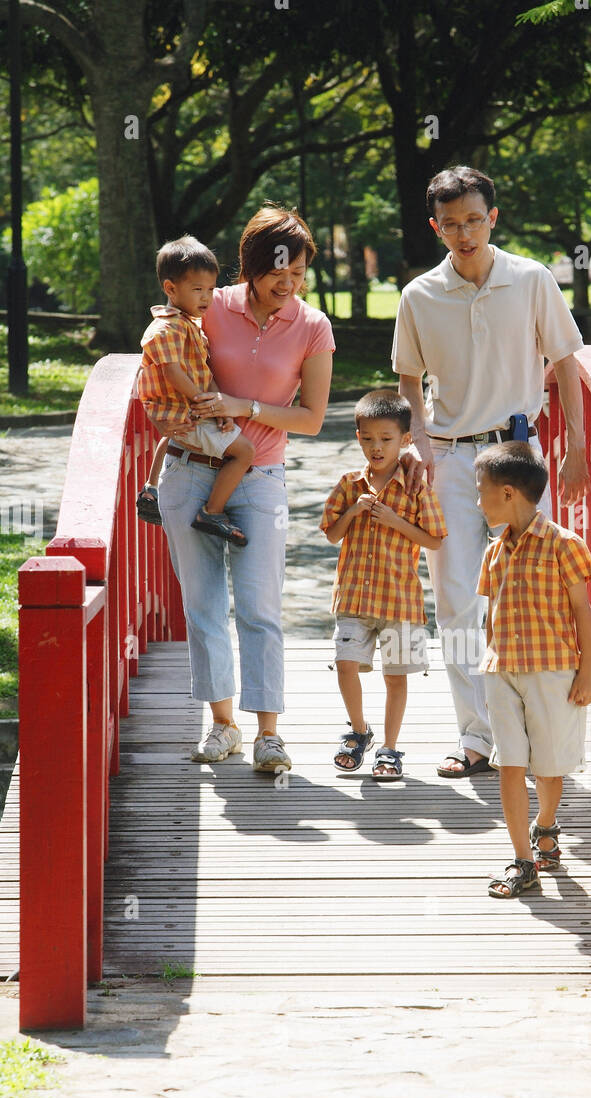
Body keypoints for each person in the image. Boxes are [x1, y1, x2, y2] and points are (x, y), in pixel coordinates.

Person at [392, 165, 590, 778]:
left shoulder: (531, 280)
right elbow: (407, 380)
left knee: (535, 593)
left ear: (492, 218)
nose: (464, 233)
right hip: (450, 458)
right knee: (455, 601)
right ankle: (476, 736)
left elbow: (565, 364)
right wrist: (419, 446)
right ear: (436, 227)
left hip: (519, 455)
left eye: (474, 220)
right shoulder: (419, 295)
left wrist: (577, 446)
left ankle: (535, 734)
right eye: (450, 224)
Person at [156, 203, 334, 772]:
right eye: (277, 273)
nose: (288, 284)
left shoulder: (312, 326)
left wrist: (246, 406)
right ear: (249, 267)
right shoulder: (209, 306)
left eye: (299, 274)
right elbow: (159, 358)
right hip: (188, 473)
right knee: (204, 606)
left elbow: (310, 419)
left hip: (261, 479)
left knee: (260, 606)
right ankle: (223, 726)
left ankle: (268, 734)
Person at [474, 443, 591, 899]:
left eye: (480, 491)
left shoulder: (565, 545)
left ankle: (546, 824)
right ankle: (524, 861)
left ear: (508, 493)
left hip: (553, 670)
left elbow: (582, 612)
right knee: (509, 763)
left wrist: (586, 672)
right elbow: (491, 614)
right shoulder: (493, 552)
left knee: (548, 768)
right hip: (502, 670)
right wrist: (491, 658)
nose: (476, 500)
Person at [320, 390, 447, 780]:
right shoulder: (348, 484)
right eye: (369, 438)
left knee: (396, 677)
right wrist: (355, 511)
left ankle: (390, 750)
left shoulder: (415, 488)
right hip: (354, 596)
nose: (377, 447)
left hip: (400, 601)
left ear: (406, 440)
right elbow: (331, 534)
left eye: (387, 439)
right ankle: (360, 732)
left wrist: (395, 521)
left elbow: (435, 538)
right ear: (358, 437)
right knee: (345, 665)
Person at [136, 236, 256, 547]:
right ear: (170, 289)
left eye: (211, 289)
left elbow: (205, 374)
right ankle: (211, 512)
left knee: (221, 440)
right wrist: (204, 403)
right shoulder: (164, 330)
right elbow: (172, 372)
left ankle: (152, 488)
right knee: (244, 452)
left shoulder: (190, 326)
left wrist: (222, 410)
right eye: (197, 289)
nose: (206, 297)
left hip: (197, 410)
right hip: (187, 413)